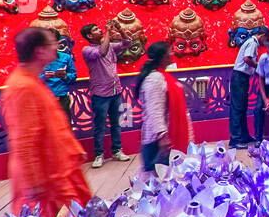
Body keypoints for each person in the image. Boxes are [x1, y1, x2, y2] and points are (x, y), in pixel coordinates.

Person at [2, 27, 92, 217]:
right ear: (40, 51)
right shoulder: (22, 87)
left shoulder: (31, 82)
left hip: (56, 172)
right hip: (44, 181)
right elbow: (24, 142)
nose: (57, 48)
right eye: (52, 44)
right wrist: (35, 185)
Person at [81, 21, 132, 168]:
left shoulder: (110, 46)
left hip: (116, 90)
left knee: (116, 123)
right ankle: (99, 155)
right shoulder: (87, 50)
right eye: (96, 30)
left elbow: (127, 42)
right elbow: (101, 52)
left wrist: (120, 29)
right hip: (100, 93)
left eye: (99, 28)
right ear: (89, 36)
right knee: (100, 125)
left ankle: (117, 151)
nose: (100, 30)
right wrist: (109, 32)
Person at [135, 41, 190, 171]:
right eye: (169, 51)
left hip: (163, 138)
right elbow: (154, 111)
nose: (172, 54)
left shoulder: (162, 76)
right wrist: (162, 137)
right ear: (163, 57)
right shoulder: (154, 79)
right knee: (158, 181)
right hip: (157, 142)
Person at [230, 25, 269, 147]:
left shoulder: (251, 42)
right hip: (240, 77)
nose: (265, 43)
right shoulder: (253, 43)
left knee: (242, 107)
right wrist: (258, 65)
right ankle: (236, 140)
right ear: (262, 36)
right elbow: (247, 59)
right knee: (237, 109)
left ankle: (244, 135)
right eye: (266, 39)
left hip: (242, 78)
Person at [40, 33, 77, 119]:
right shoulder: (38, 59)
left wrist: (65, 76)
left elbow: (73, 77)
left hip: (62, 98)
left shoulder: (66, 57)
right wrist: (44, 77)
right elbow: (32, 80)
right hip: (45, 99)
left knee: (66, 126)